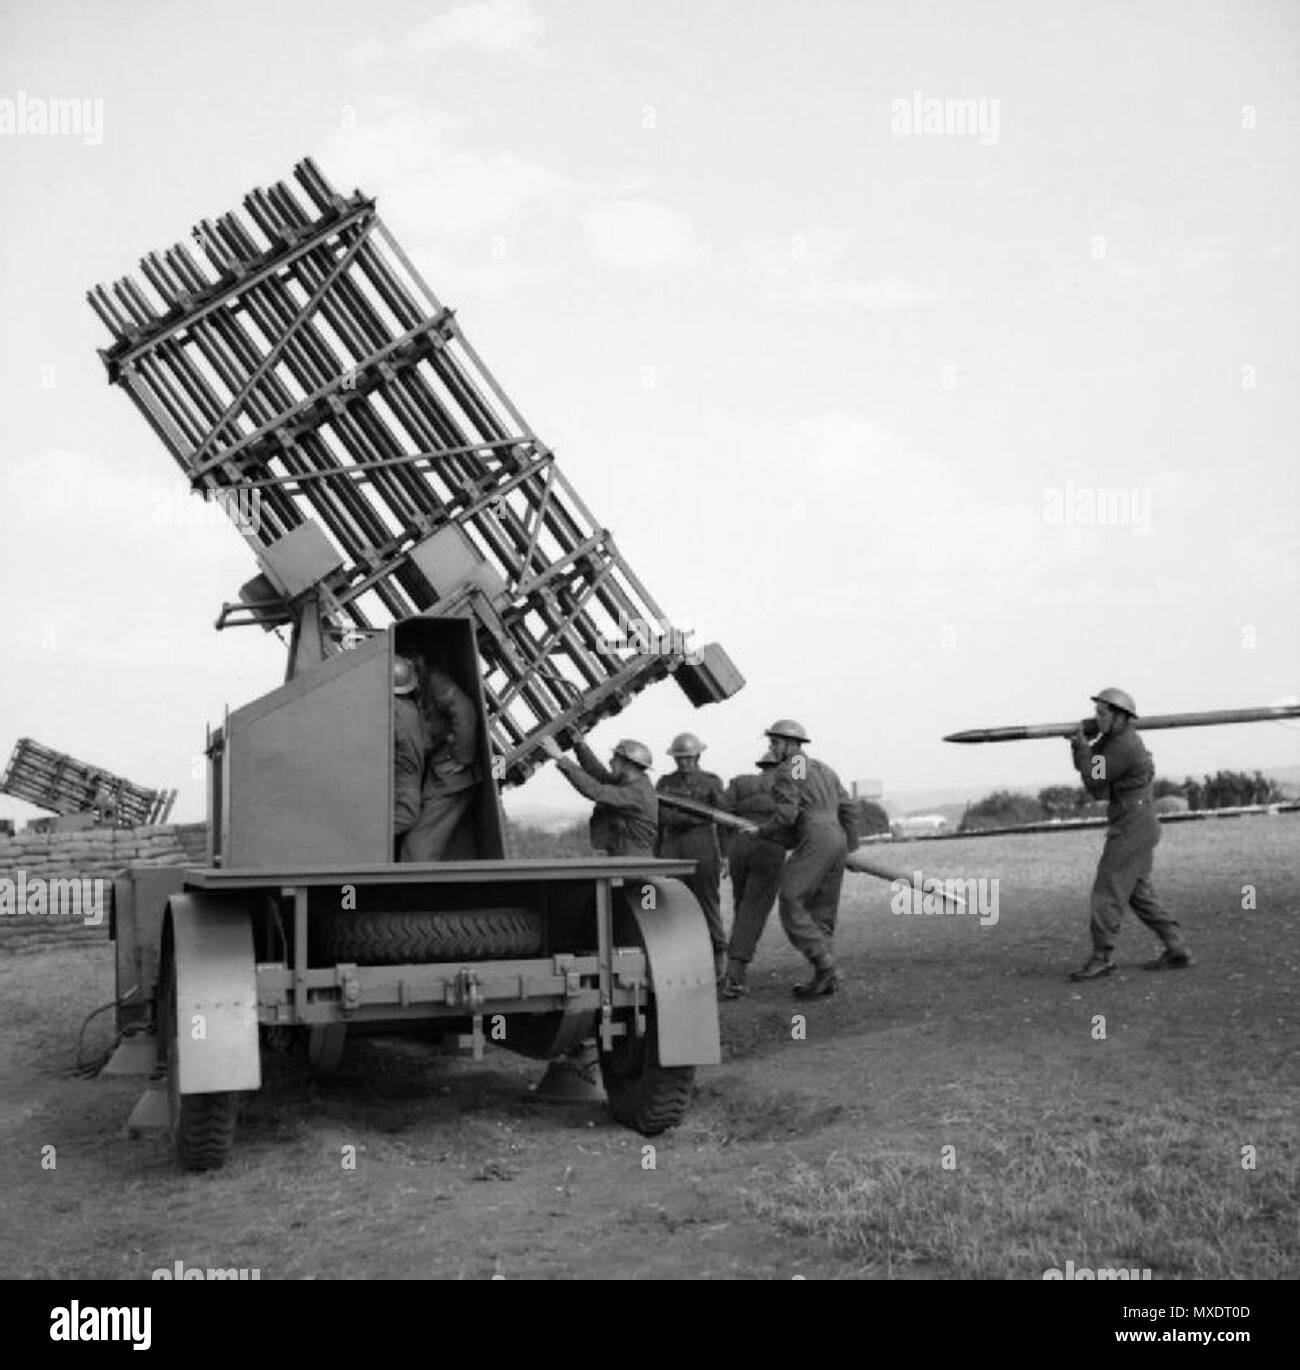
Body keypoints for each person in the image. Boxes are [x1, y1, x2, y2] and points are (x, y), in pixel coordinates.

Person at [1067, 688, 1192, 980]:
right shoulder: (1112, 743)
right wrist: (1080, 747)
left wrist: (1084, 747)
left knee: (1107, 888)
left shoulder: (1124, 746)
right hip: (1135, 821)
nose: (1095, 718)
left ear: (1121, 717)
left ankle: (1102, 958)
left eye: (1102, 714)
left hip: (1133, 826)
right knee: (1139, 893)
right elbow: (1096, 785)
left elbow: (1092, 775)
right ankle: (1177, 948)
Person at [754, 719, 860, 997]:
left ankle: (824, 964)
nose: (771, 747)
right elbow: (849, 808)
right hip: (836, 838)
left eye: (775, 742)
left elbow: (787, 816)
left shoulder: (790, 769)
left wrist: (762, 832)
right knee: (823, 911)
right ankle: (825, 978)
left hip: (815, 837)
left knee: (791, 898)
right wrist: (850, 847)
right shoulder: (824, 769)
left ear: (791, 745)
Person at [655, 733, 729, 980]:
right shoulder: (664, 783)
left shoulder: (711, 782)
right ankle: (683, 963)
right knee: (673, 904)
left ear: (697, 756)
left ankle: (719, 959)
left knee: (708, 902)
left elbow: (722, 817)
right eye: (679, 758)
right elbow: (661, 818)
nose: (683, 763)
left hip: (702, 846)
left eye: (687, 758)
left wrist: (726, 855)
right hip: (673, 848)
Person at [718, 750, 786, 999]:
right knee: (753, 912)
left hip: (739, 846)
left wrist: (725, 851)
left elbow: (721, 814)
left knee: (742, 907)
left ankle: (734, 970)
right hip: (769, 846)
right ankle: (734, 976)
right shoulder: (786, 787)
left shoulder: (740, 782)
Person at [401, 658, 481, 861]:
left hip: (450, 776)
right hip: (439, 771)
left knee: (417, 847)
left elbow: (464, 709)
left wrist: (462, 757)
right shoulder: (425, 684)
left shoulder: (435, 682)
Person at [541, 733, 657, 855]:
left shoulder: (637, 793)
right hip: (624, 856)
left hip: (634, 862)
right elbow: (600, 776)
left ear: (627, 765)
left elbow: (596, 790)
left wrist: (560, 757)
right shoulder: (630, 783)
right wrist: (580, 746)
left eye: (615, 759)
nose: (611, 762)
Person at [392, 656, 427, 858]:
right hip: (407, 780)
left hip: (404, 779)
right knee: (406, 816)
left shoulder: (394, 710)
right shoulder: (410, 710)